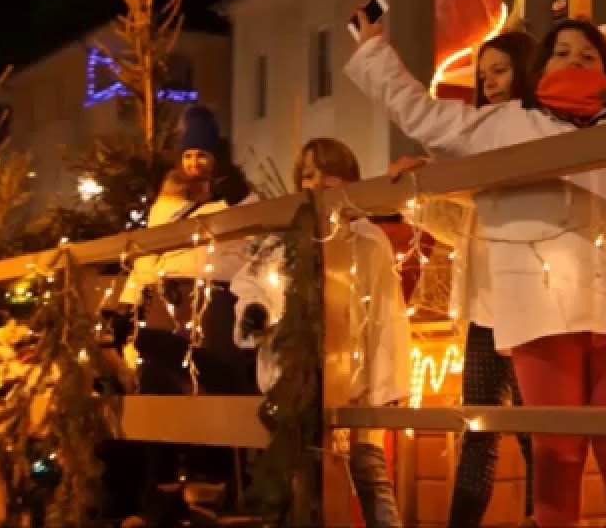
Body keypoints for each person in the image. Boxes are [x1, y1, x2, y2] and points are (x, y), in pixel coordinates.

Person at [345, 5, 606, 528]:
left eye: (588, 54)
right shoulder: (504, 124)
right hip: (541, 314)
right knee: (557, 455)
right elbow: (421, 113)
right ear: (540, 69)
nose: (575, 61)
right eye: (562, 52)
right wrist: (373, 48)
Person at [390, 31, 538, 528]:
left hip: (535, 310)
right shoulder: (479, 144)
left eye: (500, 70)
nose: (489, 82)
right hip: (485, 312)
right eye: (483, 74)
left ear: (524, 69)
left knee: (534, 432)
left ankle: (545, 517)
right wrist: (425, 186)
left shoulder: (538, 132)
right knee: (480, 431)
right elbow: (459, 226)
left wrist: (439, 178)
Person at [232, 137, 410, 528]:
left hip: (354, 382)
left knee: (368, 471)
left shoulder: (367, 240)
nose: (319, 183)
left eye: (330, 174)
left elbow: (384, 314)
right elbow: (249, 284)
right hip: (295, 380)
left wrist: (383, 390)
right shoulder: (281, 240)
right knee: (299, 476)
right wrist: (254, 314)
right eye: (310, 174)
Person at [115, 104, 258, 527]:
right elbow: (148, 253)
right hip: (166, 299)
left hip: (213, 298)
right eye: (188, 155)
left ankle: (213, 491)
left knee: (212, 387)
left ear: (216, 157)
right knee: (159, 388)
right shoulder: (167, 199)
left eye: (203, 155)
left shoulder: (237, 197)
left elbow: (250, 250)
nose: (194, 164)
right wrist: (130, 299)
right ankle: (160, 492)